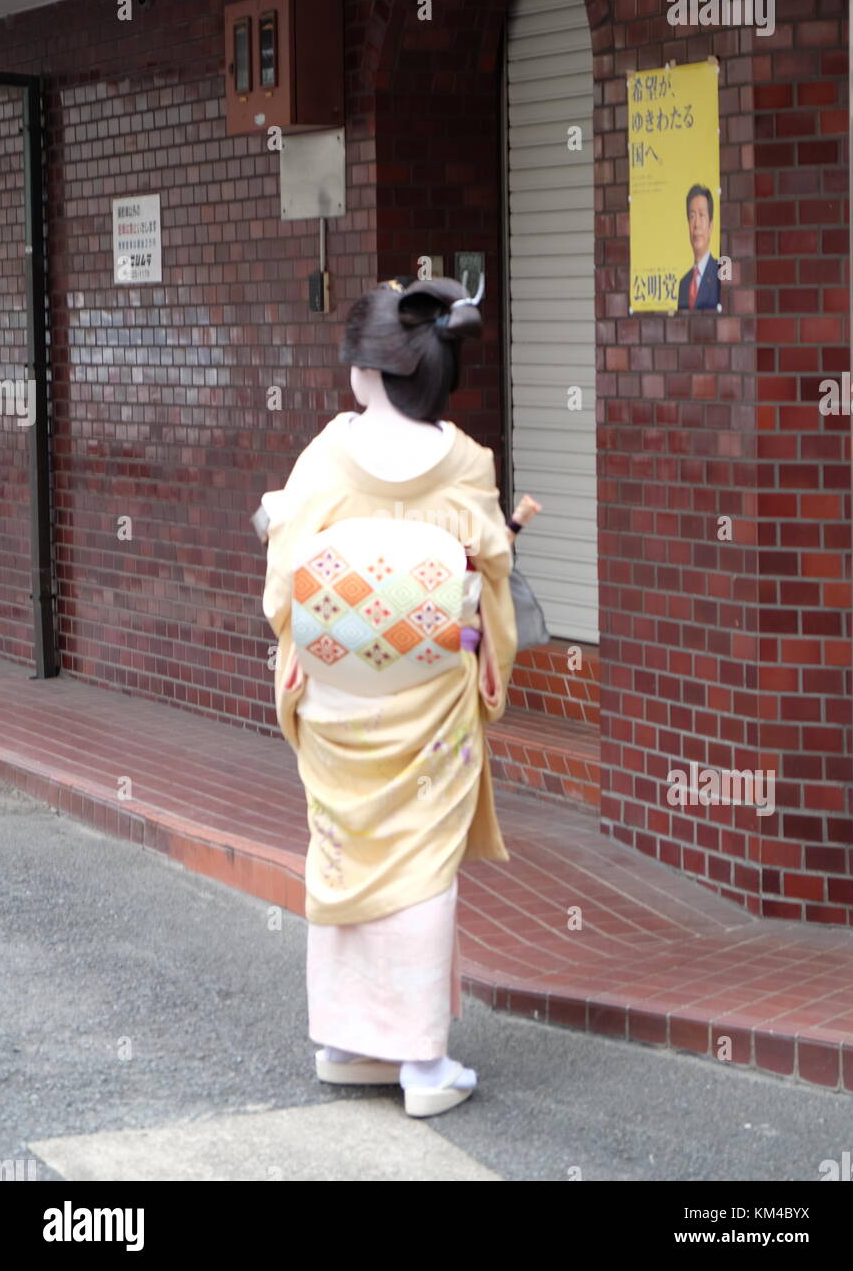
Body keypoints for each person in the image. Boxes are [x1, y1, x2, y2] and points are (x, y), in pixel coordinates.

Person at [260, 276, 518, 1118]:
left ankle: (349, 1040)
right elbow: (491, 585)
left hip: (340, 700)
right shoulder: (469, 462)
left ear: (367, 371)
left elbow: (285, 589)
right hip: (433, 698)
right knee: (422, 864)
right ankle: (420, 1063)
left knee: (343, 850)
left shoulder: (326, 457)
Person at [677, 184, 720, 310]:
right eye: (692, 216)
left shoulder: (720, 273)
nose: (696, 224)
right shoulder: (683, 283)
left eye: (701, 215)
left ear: (711, 226)